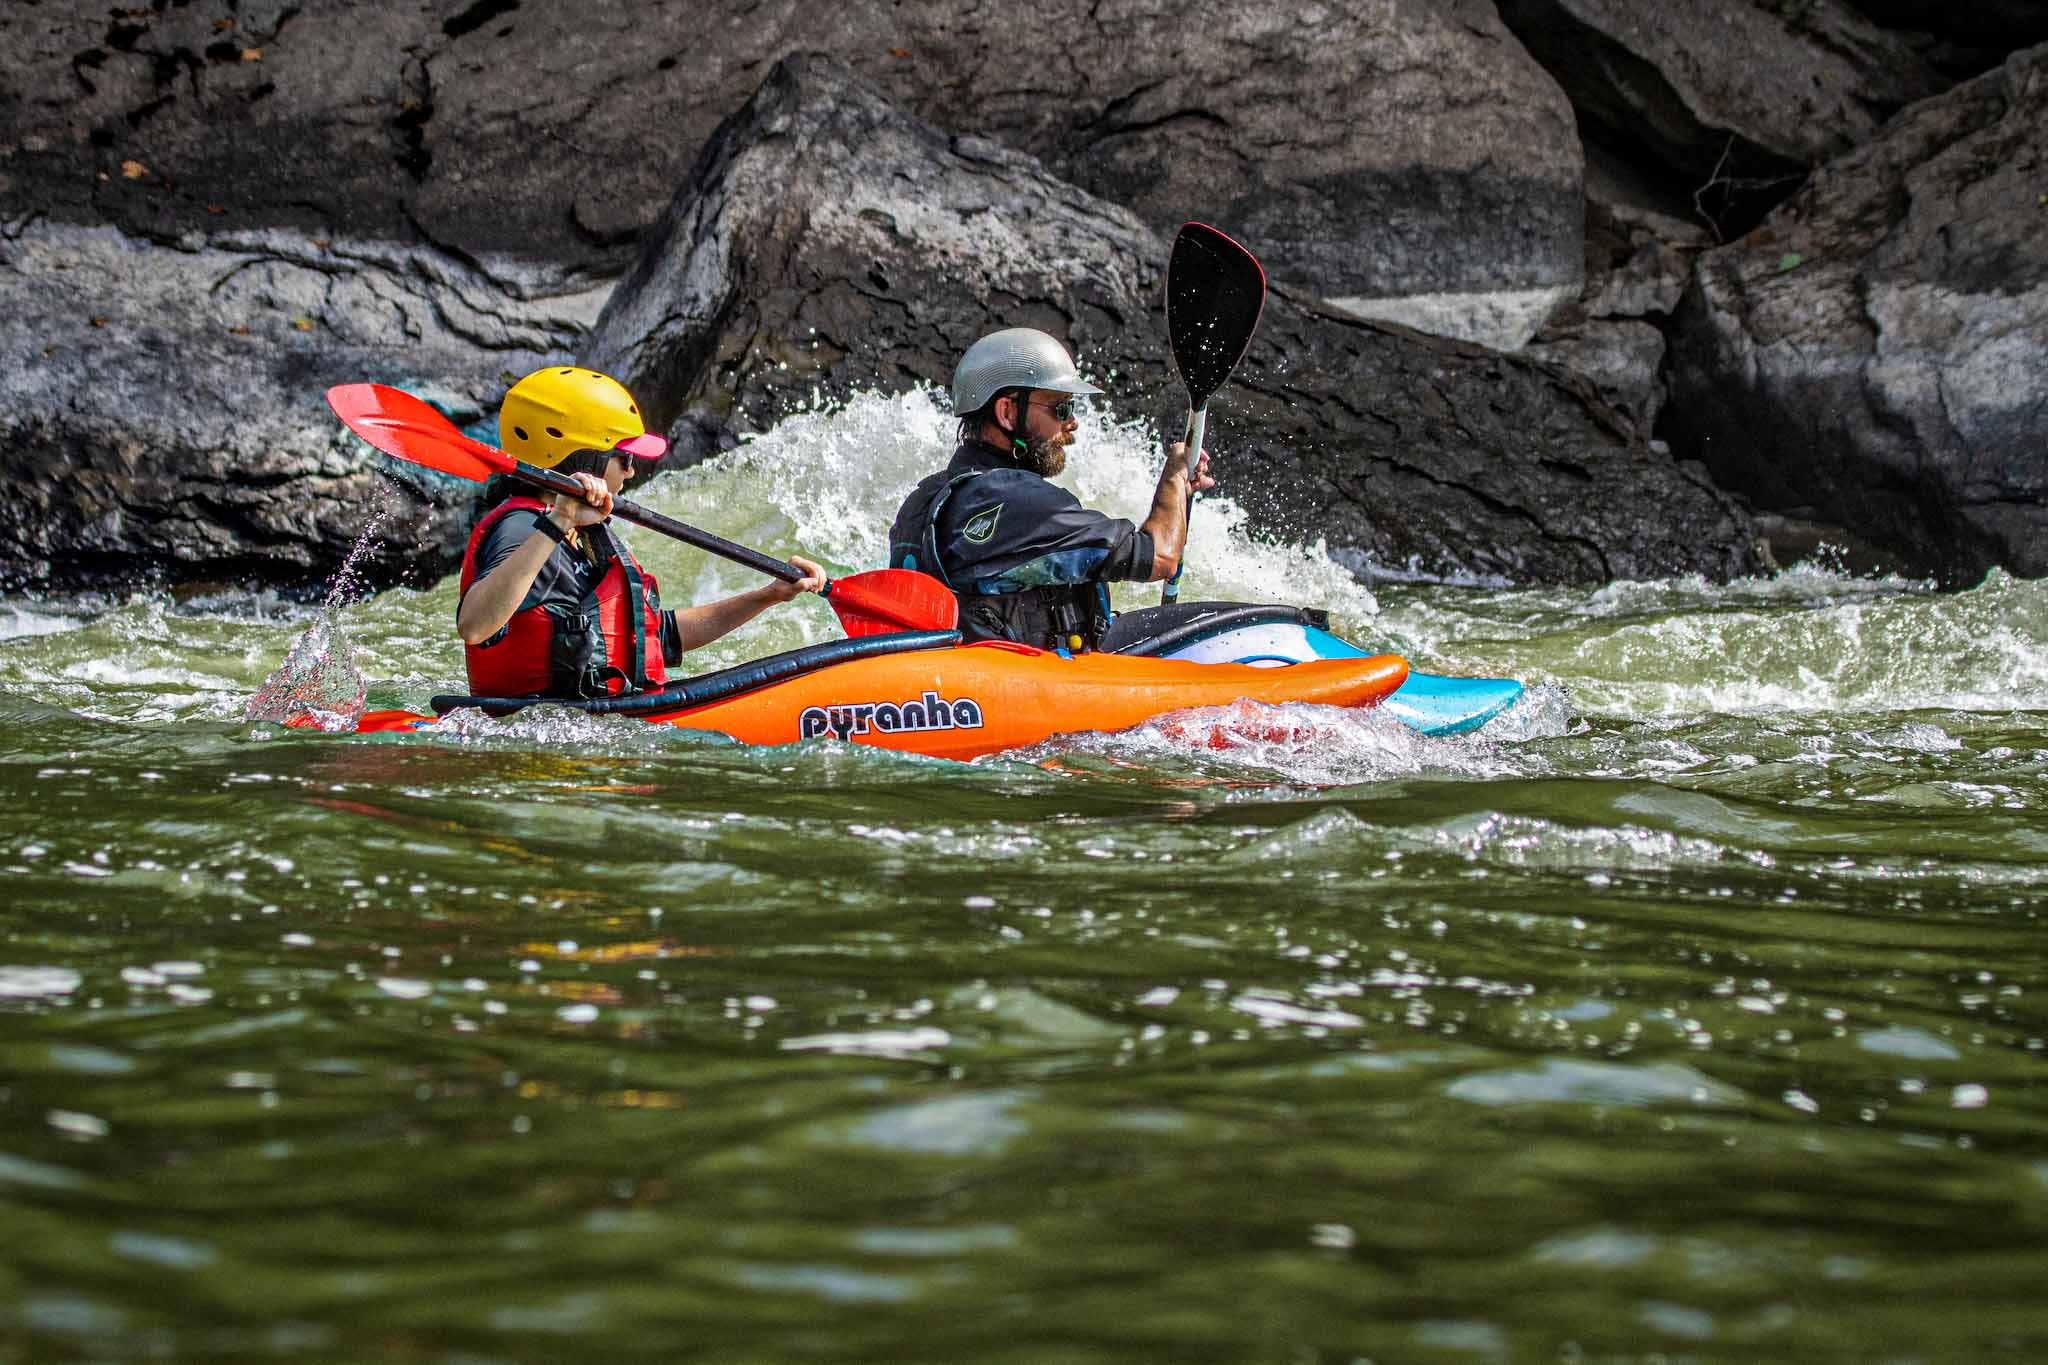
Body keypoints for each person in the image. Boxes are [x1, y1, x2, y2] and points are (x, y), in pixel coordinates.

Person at [457, 365, 826, 698]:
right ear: (583, 459)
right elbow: (475, 626)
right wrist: (559, 521)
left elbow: (657, 636)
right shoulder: (524, 529)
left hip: (601, 728)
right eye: (625, 458)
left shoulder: (584, 533)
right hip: (547, 750)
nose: (631, 472)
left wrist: (768, 596)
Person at [887, 328, 1214, 652]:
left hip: (952, 691)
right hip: (1021, 691)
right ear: (1007, 412)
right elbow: (1159, 557)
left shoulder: (923, 499)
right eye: (1061, 408)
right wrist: (1174, 478)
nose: (1072, 423)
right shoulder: (1018, 500)